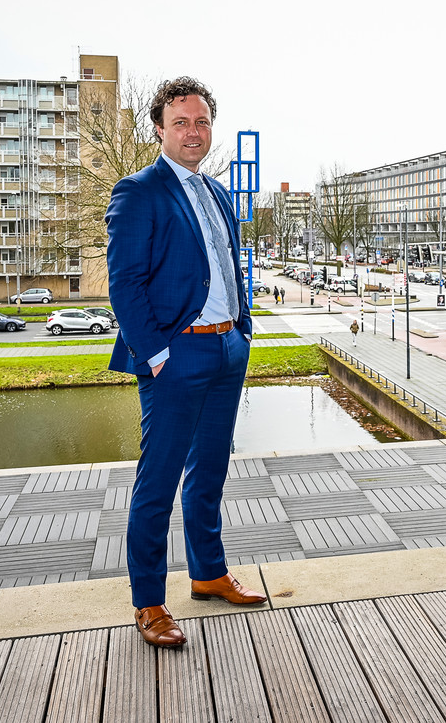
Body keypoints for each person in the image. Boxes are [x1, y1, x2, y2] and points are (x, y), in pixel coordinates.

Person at [106, 76, 267, 650]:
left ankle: (208, 572)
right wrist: (155, 355)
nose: (193, 132)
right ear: (159, 129)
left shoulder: (218, 193)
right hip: (177, 355)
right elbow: (124, 285)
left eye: (201, 122)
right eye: (181, 122)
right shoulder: (139, 191)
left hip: (227, 348)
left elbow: (225, 266)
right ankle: (148, 601)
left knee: (211, 469)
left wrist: (243, 330)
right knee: (159, 479)